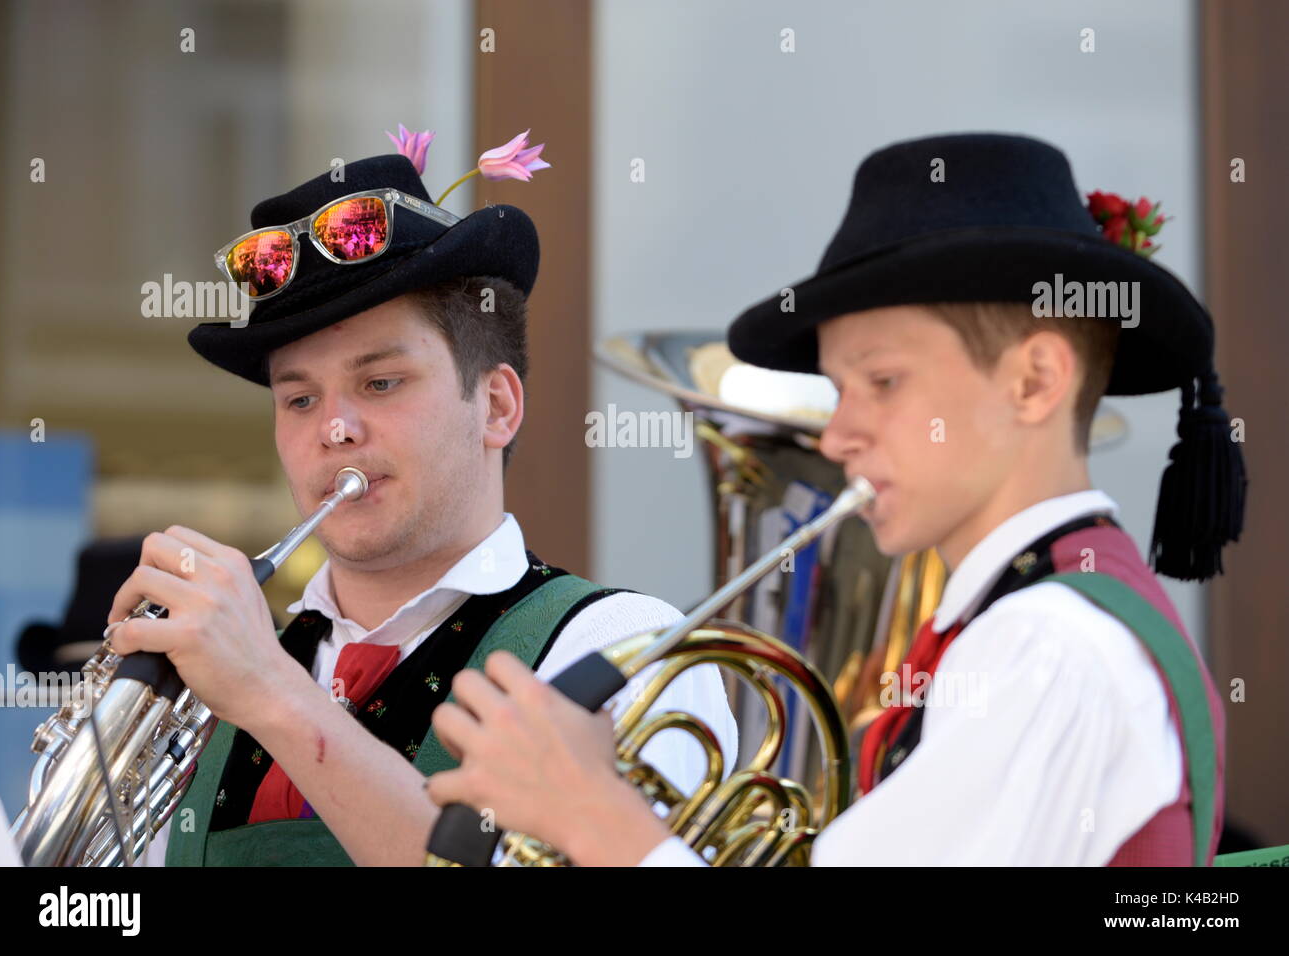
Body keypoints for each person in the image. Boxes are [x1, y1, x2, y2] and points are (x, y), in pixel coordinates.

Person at [425, 132, 1246, 866]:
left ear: (1034, 381)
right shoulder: (1041, 621)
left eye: (882, 381)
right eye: (837, 388)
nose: (836, 434)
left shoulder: (1045, 646)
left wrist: (598, 818)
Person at [107, 129, 737, 866]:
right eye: (300, 399)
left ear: (497, 407)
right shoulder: (214, 682)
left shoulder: (621, 645)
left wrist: (272, 693)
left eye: (380, 383)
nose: (335, 428)